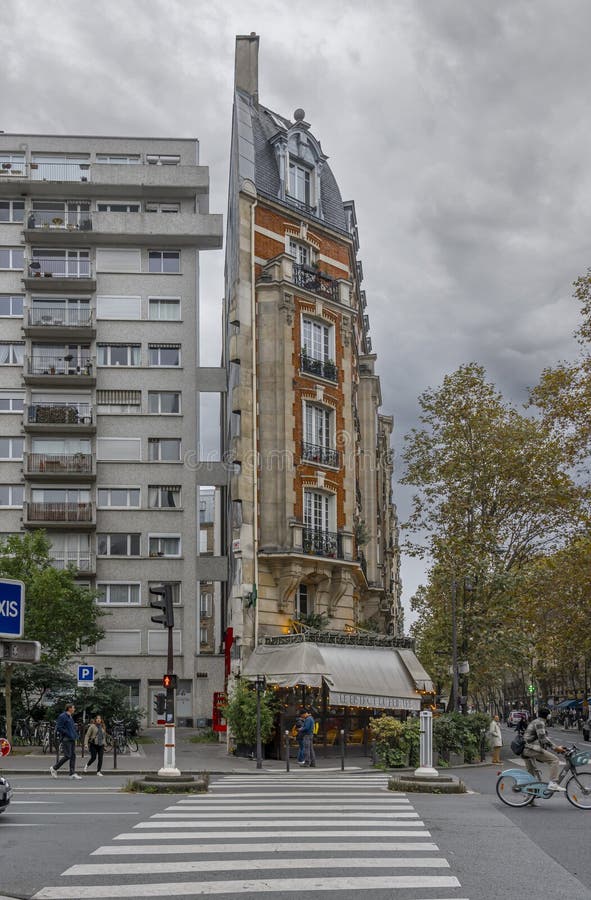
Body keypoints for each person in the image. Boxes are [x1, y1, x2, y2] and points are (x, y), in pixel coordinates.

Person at [522, 706, 566, 791]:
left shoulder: (536, 721)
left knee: (531, 775)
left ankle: (530, 799)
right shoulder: (540, 723)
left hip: (525, 748)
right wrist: (556, 748)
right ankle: (553, 783)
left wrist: (556, 747)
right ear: (548, 716)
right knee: (554, 760)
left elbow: (543, 738)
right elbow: (543, 739)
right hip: (530, 749)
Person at [50, 703, 81, 779]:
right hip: (66, 739)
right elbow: (59, 728)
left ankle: (72, 773)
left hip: (72, 738)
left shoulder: (70, 716)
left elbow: (72, 727)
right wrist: (67, 733)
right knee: (67, 756)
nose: (74, 709)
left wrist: (75, 735)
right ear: (69, 708)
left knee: (73, 755)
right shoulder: (62, 716)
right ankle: (54, 768)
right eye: (73, 708)